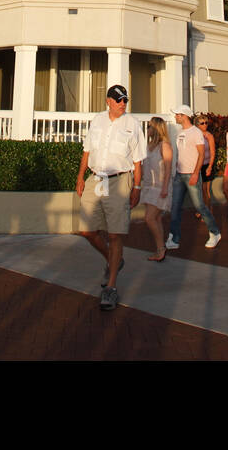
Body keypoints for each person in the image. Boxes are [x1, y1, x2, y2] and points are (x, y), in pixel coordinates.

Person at [75, 84, 147, 310]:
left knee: (115, 234)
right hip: (95, 179)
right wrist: (80, 176)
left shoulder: (132, 124)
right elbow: (87, 150)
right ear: (108, 101)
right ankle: (113, 259)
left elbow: (138, 161)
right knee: (87, 230)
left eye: (125, 100)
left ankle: (111, 287)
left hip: (119, 181)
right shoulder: (97, 120)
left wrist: (137, 187)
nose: (122, 103)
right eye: (118, 100)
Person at [164, 105, 223, 251]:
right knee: (175, 207)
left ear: (184, 116)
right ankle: (174, 237)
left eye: (177, 114)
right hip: (179, 174)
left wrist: (196, 173)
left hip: (192, 174)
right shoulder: (180, 132)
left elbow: (201, 154)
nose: (175, 117)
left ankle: (215, 232)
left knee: (199, 206)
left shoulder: (196, 133)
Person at [138, 117, 172, 262]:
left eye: (150, 126)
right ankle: (160, 248)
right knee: (156, 218)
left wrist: (165, 187)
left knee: (149, 218)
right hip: (148, 185)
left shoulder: (165, 146)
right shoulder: (149, 145)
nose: (148, 129)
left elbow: (169, 168)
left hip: (159, 186)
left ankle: (161, 248)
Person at [195, 113, 217, 211]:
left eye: (206, 123)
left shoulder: (209, 136)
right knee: (198, 190)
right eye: (202, 123)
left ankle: (208, 210)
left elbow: (212, 153)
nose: (205, 125)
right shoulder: (195, 135)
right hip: (197, 165)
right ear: (197, 125)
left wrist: (210, 166)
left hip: (206, 165)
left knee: (205, 190)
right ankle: (202, 209)